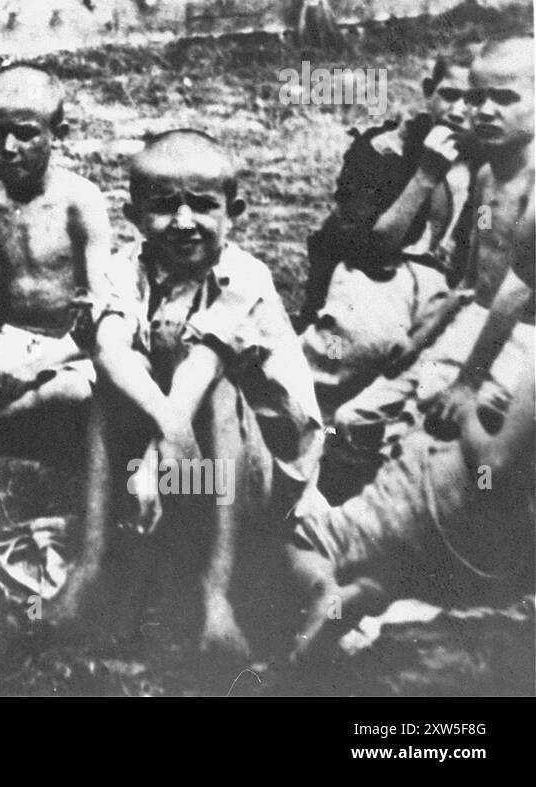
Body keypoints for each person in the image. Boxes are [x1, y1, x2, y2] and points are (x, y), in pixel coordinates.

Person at [94, 130, 325, 658]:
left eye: (202, 206)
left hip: (264, 465)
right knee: (111, 385)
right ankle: (90, 566)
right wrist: (167, 435)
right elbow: (109, 350)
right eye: (163, 208)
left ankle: (214, 593)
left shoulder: (243, 277)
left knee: (218, 391)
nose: (183, 222)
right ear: (132, 216)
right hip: (186, 451)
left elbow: (201, 371)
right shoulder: (124, 268)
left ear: (233, 211)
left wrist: (162, 447)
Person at [0, 64, 114, 621]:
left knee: (76, 397)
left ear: (57, 130)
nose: (9, 147)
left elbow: (97, 305)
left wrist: (39, 367)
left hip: (67, 346)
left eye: (27, 133)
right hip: (5, 342)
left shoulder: (81, 201)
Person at [331, 38, 534, 490]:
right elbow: (471, 278)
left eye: (505, 98)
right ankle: (357, 500)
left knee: (430, 434)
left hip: (520, 339)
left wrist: (466, 384)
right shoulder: (486, 175)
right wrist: (423, 335)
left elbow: (514, 295)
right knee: (351, 418)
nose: (483, 110)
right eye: (476, 96)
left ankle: (407, 527)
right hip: (471, 322)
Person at [287, 351, 535, 665]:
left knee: (309, 540)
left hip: (456, 497)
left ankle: (328, 594)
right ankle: (375, 588)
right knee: (411, 571)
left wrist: (466, 411)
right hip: (507, 554)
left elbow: (492, 467)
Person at [300, 52, 475, 416]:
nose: (460, 110)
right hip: (377, 276)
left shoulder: (491, 162)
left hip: (447, 293)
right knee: (358, 347)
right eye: (450, 95)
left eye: (472, 99)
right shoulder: (385, 149)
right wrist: (425, 176)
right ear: (429, 91)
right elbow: (370, 249)